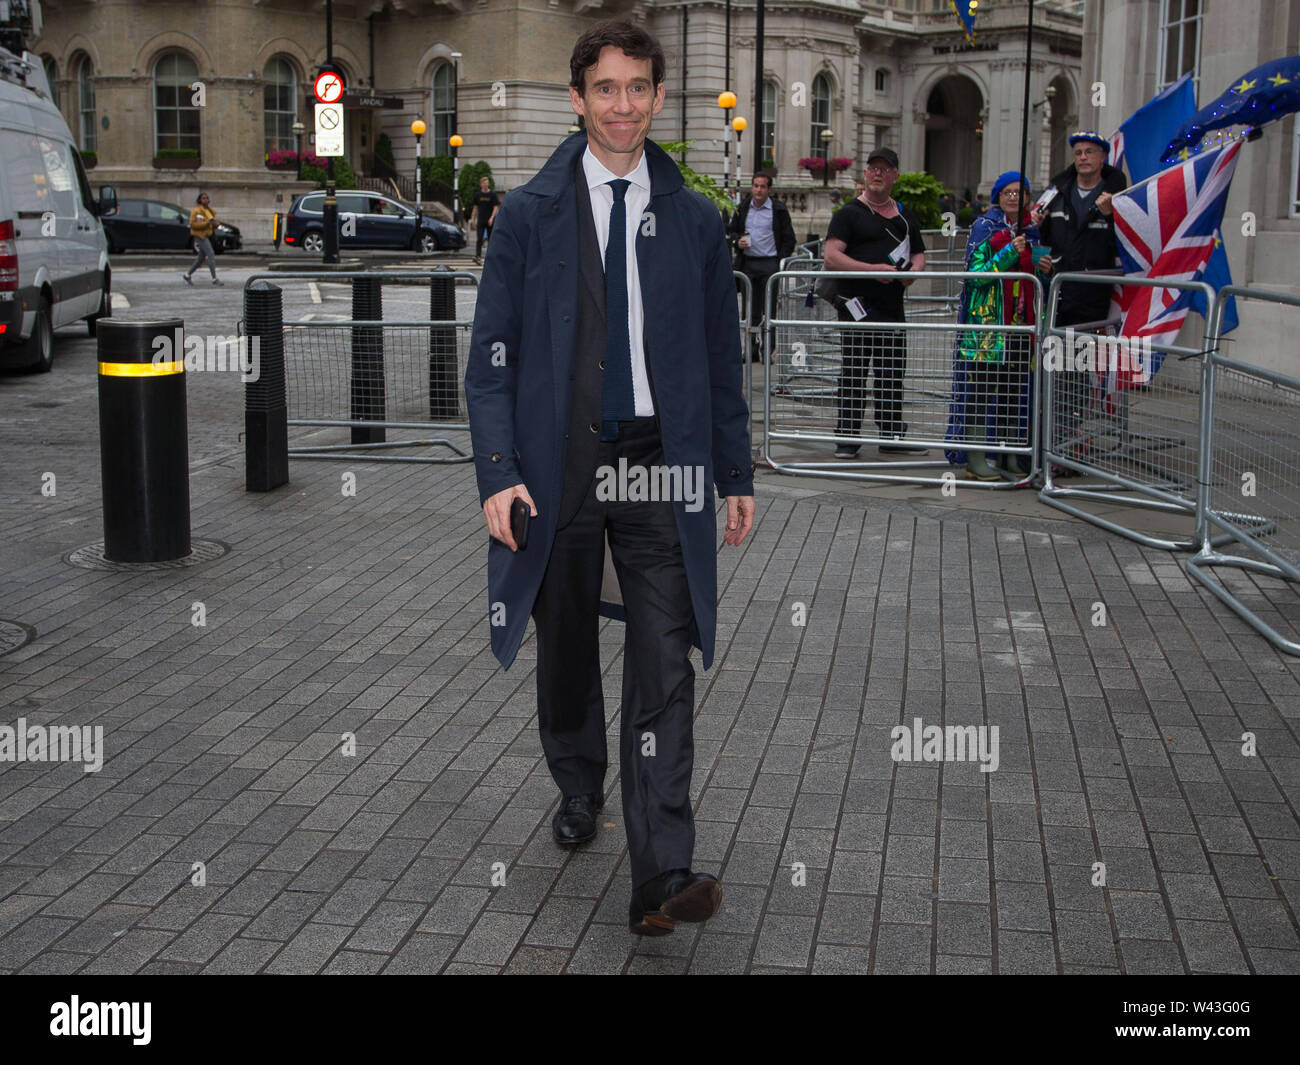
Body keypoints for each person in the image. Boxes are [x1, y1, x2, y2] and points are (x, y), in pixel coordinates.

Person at [464, 19, 755, 937]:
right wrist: (499, 472)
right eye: (606, 87)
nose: (622, 105)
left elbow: (721, 357)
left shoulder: (695, 220)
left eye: (637, 88)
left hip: (660, 464)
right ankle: (578, 780)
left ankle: (661, 873)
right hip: (560, 464)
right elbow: (491, 359)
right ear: (578, 98)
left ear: (658, 98)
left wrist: (734, 470)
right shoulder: (528, 213)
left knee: (665, 653)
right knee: (565, 640)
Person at [944, 171, 1053, 480]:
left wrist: (1045, 270)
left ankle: (1009, 455)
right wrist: (1007, 253)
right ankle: (976, 460)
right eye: (1008, 192)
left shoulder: (1032, 231)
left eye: (1020, 192)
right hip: (988, 328)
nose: (1014, 197)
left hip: (1022, 326)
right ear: (998, 197)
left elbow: (1036, 282)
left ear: (1028, 198)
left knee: (1012, 393)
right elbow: (975, 276)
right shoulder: (985, 227)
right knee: (980, 392)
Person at [823, 147, 926, 458]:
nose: (878, 174)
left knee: (892, 370)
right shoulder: (849, 214)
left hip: (892, 306)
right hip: (855, 304)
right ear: (865, 173)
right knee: (854, 370)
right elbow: (831, 257)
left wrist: (913, 273)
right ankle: (847, 438)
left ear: (895, 176)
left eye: (885, 169)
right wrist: (871, 270)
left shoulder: (905, 215)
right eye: (873, 168)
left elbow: (918, 254)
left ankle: (892, 435)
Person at [1033, 130, 1127, 457]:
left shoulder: (1115, 197)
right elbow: (1040, 242)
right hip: (1057, 295)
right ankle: (1052, 435)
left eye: (1089, 152)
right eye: (1078, 152)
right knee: (1053, 367)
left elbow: (1126, 245)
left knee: (1078, 369)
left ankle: (1068, 435)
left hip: (1092, 299)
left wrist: (1112, 217)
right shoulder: (1056, 196)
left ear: (1102, 158)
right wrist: (1036, 227)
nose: (1083, 157)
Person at [725, 171, 796, 361]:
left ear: (769, 190)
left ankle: (768, 350)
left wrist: (780, 259)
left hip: (769, 264)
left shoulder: (778, 209)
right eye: (755, 186)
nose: (758, 190)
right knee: (749, 309)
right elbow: (732, 231)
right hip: (748, 264)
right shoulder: (743, 207)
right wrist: (737, 242)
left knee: (769, 309)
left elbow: (789, 239)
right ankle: (750, 349)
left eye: (762, 186)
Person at [182, 192, 222, 286]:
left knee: (200, 258)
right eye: (203, 198)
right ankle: (214, 278)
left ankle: (187, 275)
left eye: (207, 198)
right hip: (200, 236)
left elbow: (211, 222)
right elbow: (193, 224)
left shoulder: (208, 210)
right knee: (210, 254)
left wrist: (215, 225)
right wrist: (206, 223)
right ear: (199, 200)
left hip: (207, 235)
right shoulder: (196, 211)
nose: (206, 200)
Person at [470, 175, 500, 263]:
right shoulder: (478, 195)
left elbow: (495, 207)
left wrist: (492, 217)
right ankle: (478, 256)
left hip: (490, 220)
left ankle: (491, 256)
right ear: (481, 184)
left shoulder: (492, 195)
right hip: (481, 219)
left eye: (487, 183)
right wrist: (473, 219)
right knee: (479, 238)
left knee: (491, 239)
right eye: (484, 183)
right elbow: (475, 208)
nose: (485, 185)